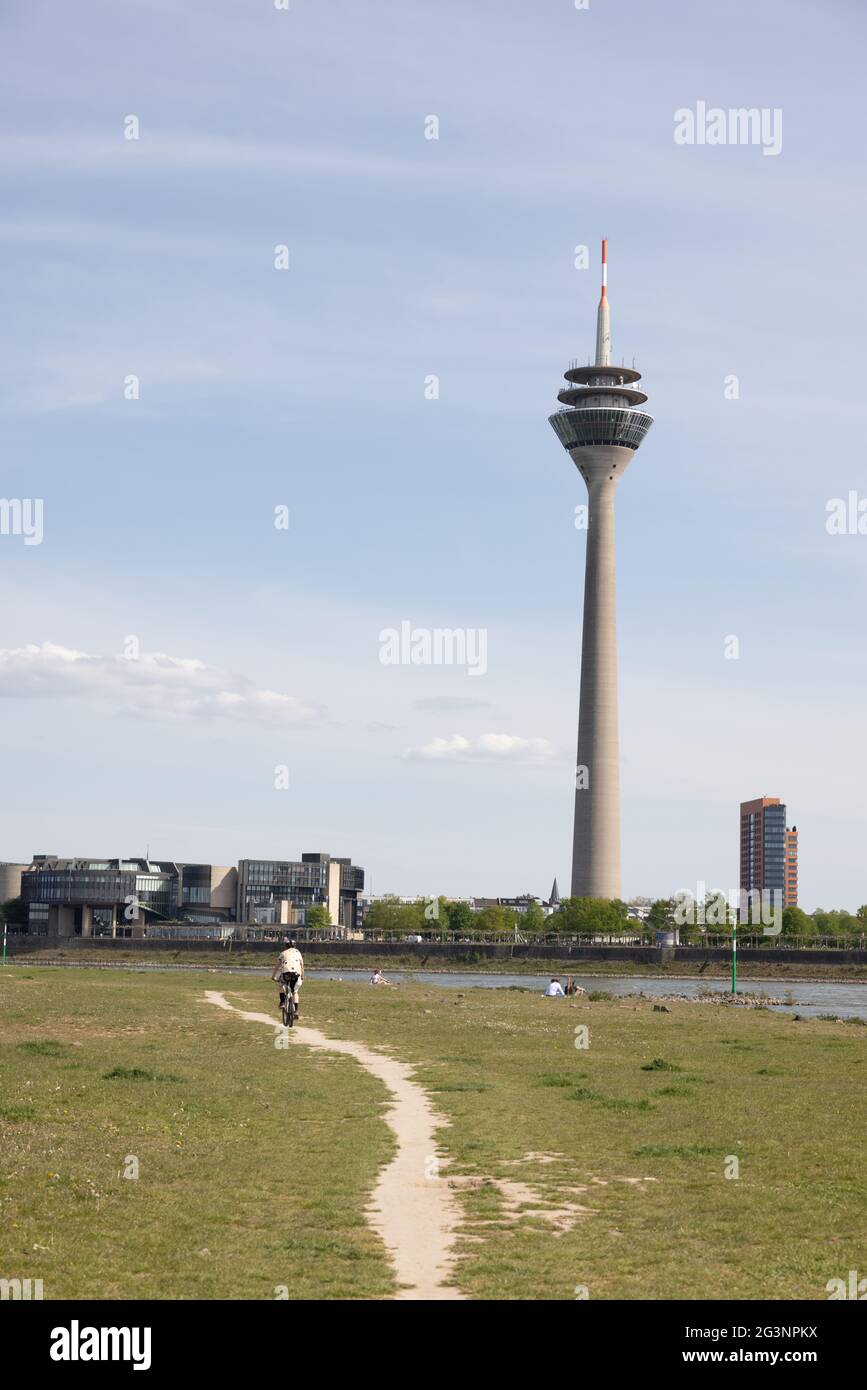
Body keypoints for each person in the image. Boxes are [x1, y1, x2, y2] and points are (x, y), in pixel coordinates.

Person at [272, 938, 304, 1017]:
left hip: (286, 973)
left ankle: (282, 1002)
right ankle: (296, 1011)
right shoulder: (298, 952)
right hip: (296, 974)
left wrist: (273, 976)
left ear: (286, 946)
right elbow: (302, 965)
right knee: (295, 992)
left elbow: (277, 966)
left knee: (281, 985)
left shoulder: (283, 953)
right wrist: (302, 976)